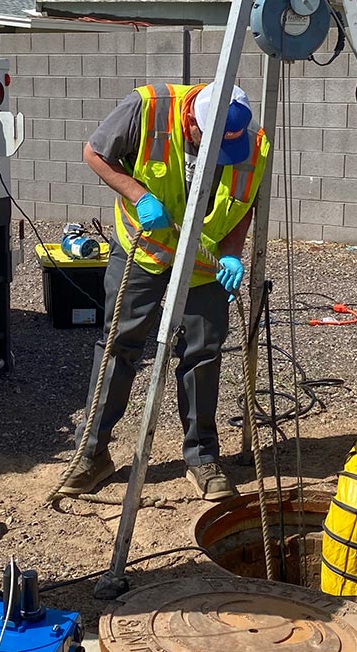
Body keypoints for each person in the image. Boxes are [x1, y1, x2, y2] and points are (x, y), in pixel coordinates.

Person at [58, 82, 269, 501]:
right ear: (192, 122)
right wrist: (139, 196)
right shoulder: (148, 108)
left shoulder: (253, 143)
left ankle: (202, 457)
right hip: (145, 249)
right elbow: (94, 153)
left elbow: (243, 204)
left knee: (203, 352)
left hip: (205, 262)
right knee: (120, 345)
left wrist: (232, 254)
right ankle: (92, 452)